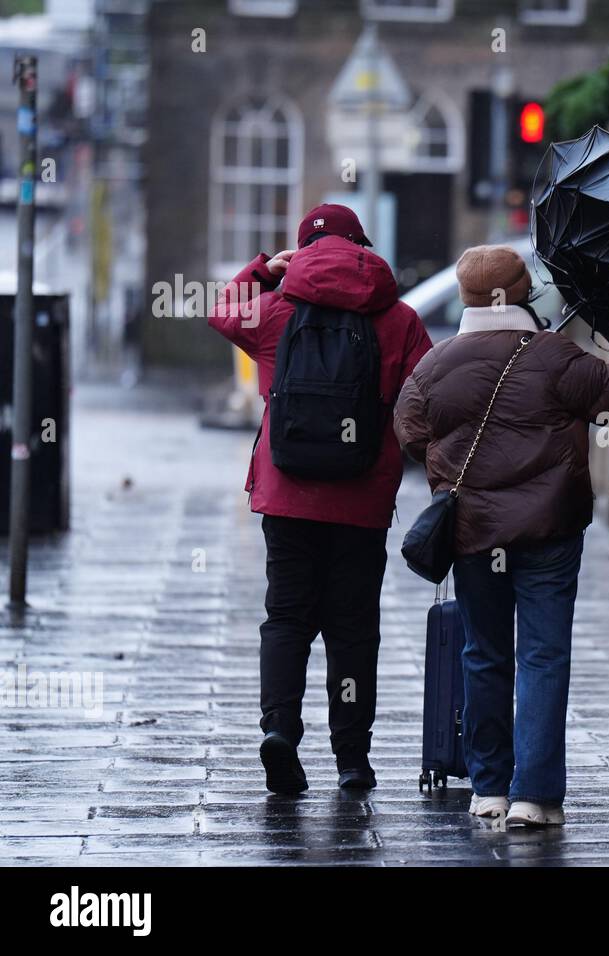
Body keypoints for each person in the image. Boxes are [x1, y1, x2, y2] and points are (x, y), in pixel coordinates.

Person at [394, 245, 609, 827]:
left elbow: (410, 431)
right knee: (543, 655)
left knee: (483, 655)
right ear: (521, 294)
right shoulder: (555, 356)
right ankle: (534, 796)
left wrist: (455, 470)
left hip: (474, 532)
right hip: (549, 530)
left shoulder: (436, 365)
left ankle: (488, 789)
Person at [208, 204, 431, 795]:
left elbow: (220, 312)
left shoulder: (278, 309)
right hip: (361, 501)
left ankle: (280, 729)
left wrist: (264, 269)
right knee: (354, 628)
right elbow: (426, 398)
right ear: (362, 247)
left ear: (301, 252)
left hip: (287, 495)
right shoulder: (400, 318)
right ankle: (352, 758)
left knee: (286, 617)